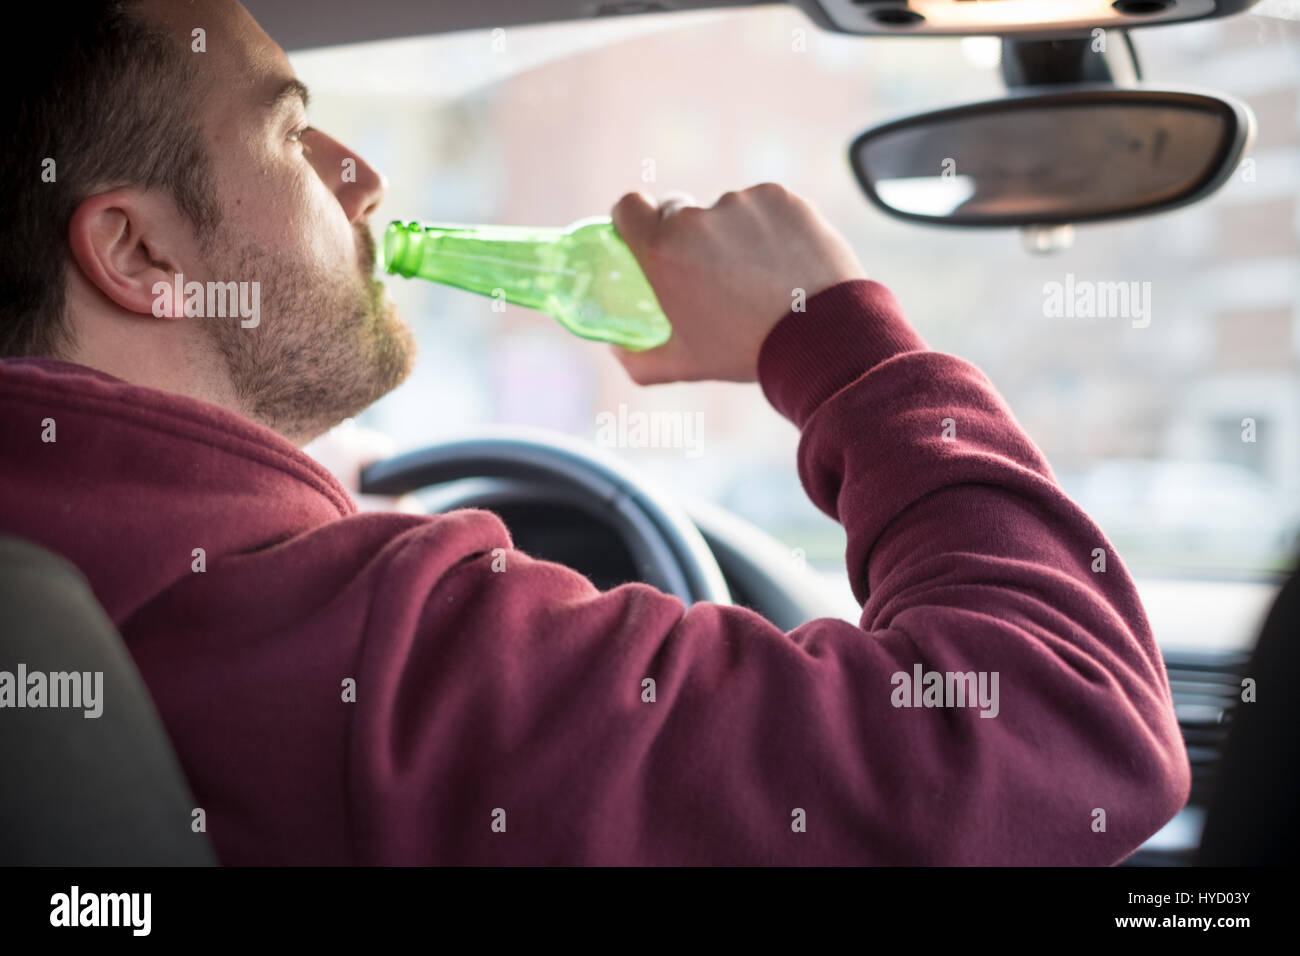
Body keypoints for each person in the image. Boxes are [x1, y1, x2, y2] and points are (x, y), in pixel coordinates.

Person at [0, 0, 1189, 864]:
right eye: (289, 133)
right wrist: (835, 343)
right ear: (138, 252)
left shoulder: (86, 556)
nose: (358, 176)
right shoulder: (365, 641)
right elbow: (1069, 726)